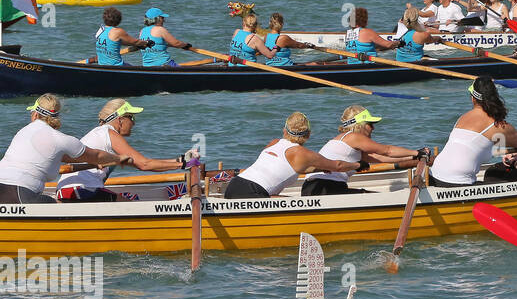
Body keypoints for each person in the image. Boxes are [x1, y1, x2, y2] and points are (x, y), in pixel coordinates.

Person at [0, 95, 132, 203]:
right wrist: (119, 158)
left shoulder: (22, 132)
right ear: (57, 118)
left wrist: (93, 164)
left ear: (35, 115)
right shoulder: (61, 139)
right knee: (58, 206)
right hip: (20, 193)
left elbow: (69, 160)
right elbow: (96, 155)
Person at [57, 99, 196, 201]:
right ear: (120, 120)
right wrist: (182, 164)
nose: (134, 122)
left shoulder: (98, 133)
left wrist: (178, 160)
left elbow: (138, 163)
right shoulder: (109, 133)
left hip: (68, 191)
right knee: (135, 208)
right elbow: (144, 164)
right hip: (81, 191)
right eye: (131, 117)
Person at [430, 77, 517, 186]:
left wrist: (516, 149)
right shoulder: (496, 125)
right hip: (456, 182)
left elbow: (485, 146)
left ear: (473, 99)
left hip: (435, 174)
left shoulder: (463, 117)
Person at [223, 113, 361, 199]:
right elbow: (338, 165)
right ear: (308, 135)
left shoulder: (274, 142)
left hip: (235, 185)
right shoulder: (303, 154)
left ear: (284, 131)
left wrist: (318, 169)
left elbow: (287, 167)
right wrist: (358, 165)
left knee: (285, 199)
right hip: (253, 193)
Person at [301, 106, 428, 196]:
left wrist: (413, 157)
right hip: (325, 188)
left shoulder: (346, 142)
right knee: (377, 199)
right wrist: (416, 152)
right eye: (370, 124)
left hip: (312, 188)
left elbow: (382, 158)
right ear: (359, 125)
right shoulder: (354, 137)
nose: (373, 128)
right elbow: (387, 151)